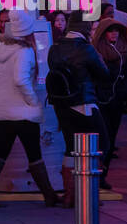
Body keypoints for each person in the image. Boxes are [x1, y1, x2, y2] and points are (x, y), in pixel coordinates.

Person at [0, 8, 61, 208]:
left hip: (3, 108)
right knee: (34, 153)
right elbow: (21, 80)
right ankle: (49, 195)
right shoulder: (24, 51)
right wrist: (33, 101)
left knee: (0, 151)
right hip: (22, 111)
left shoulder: (1, 48)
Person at [47, 18, 111, 206]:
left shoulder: (55, 48)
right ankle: (90, 191)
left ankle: (69, 195)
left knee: (70, 148)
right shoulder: (86, 49)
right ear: (85, 29)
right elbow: (104, 75)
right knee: (101, 145)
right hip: (84, 104)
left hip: (61, 105)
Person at [90, 14, 127, 186]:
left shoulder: (125, 52)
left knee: (112, 137)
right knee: (103, 136)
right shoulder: (96, 52)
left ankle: (103, 173)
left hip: (117, 99)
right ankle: (98, 174)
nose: (114, 34)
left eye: (116, 31)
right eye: (110, 31)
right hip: (101, 99)